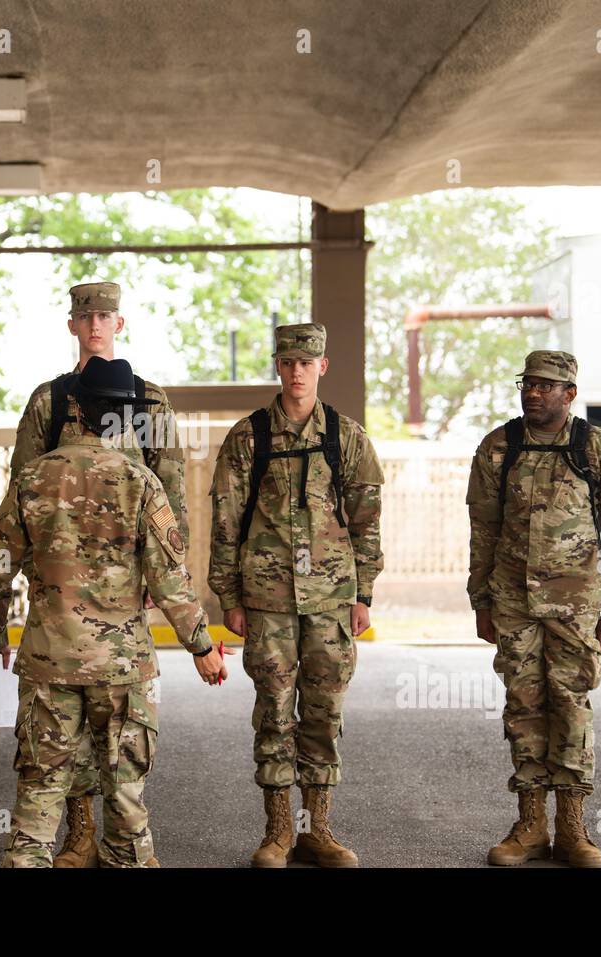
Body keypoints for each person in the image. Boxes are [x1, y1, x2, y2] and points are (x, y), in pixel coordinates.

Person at [0, 357, 228, 868]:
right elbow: (169, 579)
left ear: (77, 410)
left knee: (40, 790)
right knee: (125, 793)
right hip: (123, 668)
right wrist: (202, 646)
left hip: (49, 661)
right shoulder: (139, 482)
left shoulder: (32, 479)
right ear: (124, 417)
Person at [7, 279, 189, 867]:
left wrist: (170, 575)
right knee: (72, 723)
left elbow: (173, 489)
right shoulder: (50, 400)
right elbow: (22, 487)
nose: (95, 326)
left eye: (105, 316)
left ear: (120, 323)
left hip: (126, 582)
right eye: (85, 318)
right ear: (72, 326)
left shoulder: (151, 401)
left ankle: (107, 836)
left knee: (115, 729)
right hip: (63, 585)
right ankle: (80, 833)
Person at [208, 322, 384, 868]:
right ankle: (279, 832)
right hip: (268, 601)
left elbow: (367, 519)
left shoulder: (346, 436)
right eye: (287, 362)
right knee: (274, 713)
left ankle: (319, 830)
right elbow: (225, 519)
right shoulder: (250, 436)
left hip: (331, 599)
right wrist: (228, 596)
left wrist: (365, 594)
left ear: (322, 367)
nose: (297, 371)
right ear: (278, 366)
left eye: (307, 362)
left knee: (324, 713)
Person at [466, 350, 601, 868]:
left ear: (570, 394)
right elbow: (483, 531)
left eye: (546, 386)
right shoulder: (499, 447)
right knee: (523, 707)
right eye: (528, 384)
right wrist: (481, 600)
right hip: (514, 602)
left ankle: (573, 829)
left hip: (577, 606)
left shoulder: (598, 450)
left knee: (571, 705)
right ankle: (529, 826)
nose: (534, 393)